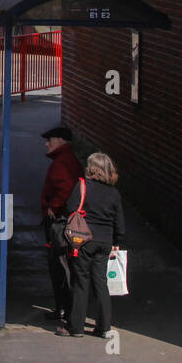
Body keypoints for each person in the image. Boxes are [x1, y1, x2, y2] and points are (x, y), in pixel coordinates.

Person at [59, 152, 125, 338]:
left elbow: (71, 208)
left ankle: (76, 327)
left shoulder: (83, 186)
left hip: (84, 240)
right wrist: (117, 242)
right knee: (101, 283)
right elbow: (119, 223)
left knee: (81, 282)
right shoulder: (114, 194)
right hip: (105, 242)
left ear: (92, 169)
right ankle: (104, 327)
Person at [40, 126, 82, 323]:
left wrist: (53, 207)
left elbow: (65, 189)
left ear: (60, 141)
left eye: (50, 139)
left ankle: (63, 308)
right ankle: (64, 307)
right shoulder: (68, 159)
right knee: (63, 266)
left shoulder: (61, 162)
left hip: (59, 222)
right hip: (66, 221)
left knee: (59, 265)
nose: (47, 143)